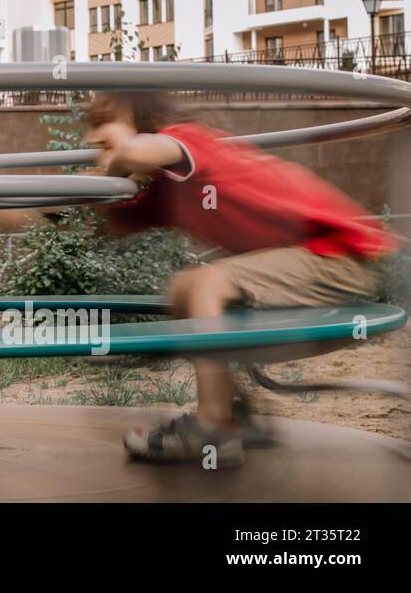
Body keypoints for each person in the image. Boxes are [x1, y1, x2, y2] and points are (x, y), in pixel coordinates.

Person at [84, 90, 399, 467]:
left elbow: (136, 153)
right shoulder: (167, 192)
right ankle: (237, 413)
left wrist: (113, 164)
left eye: (105, 122)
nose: (92, 138)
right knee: (184, 289)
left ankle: (214, 428)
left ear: (145, 120)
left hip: (339, 256)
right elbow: (105, 223)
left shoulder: (189, 140)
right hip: (309, 263)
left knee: (206, 283)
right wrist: (28, 201)